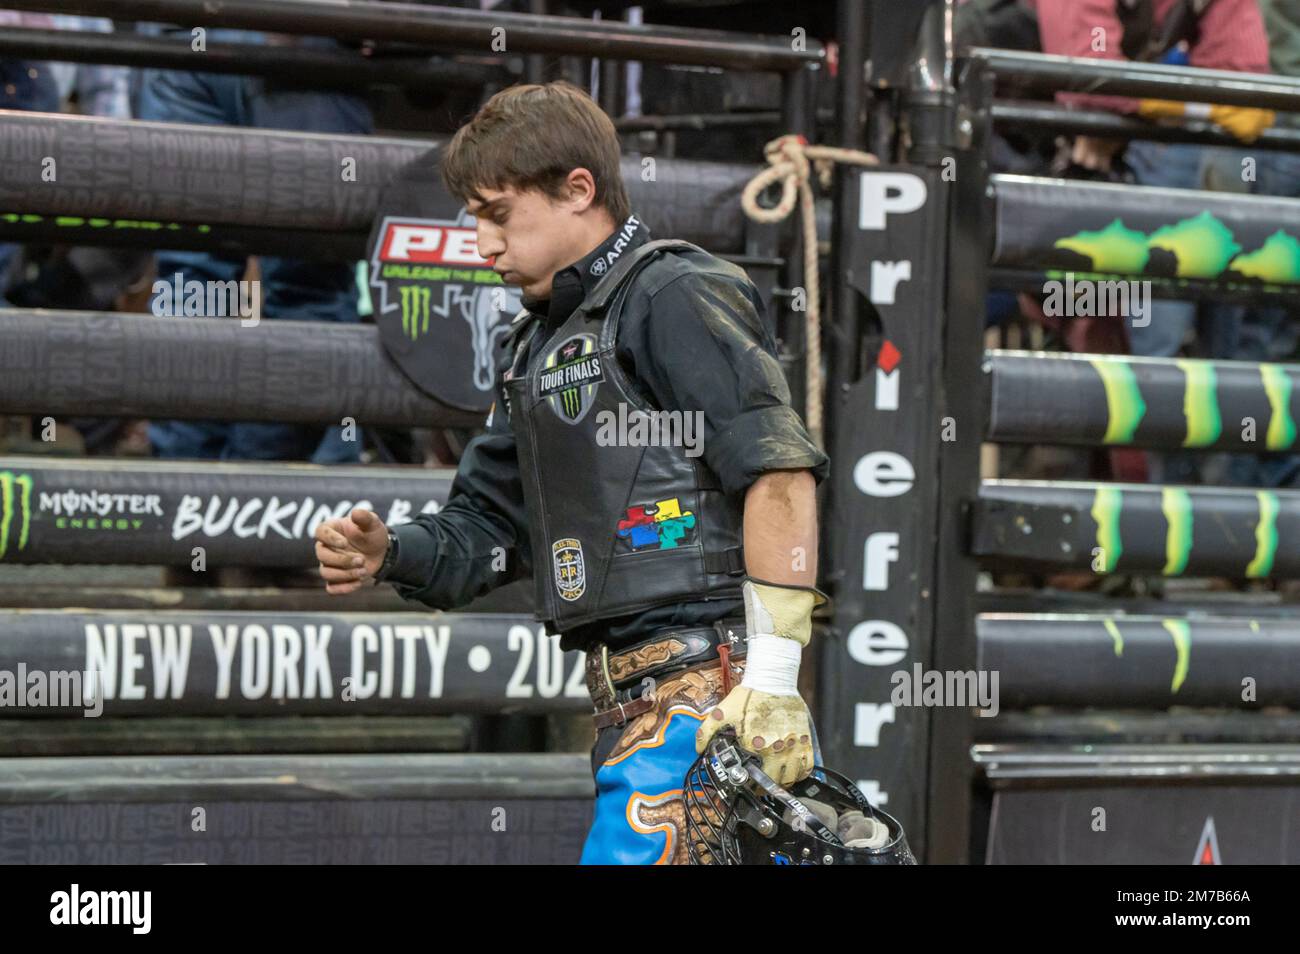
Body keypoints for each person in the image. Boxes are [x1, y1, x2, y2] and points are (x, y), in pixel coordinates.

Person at [314, 81, 830, 865]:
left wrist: (775, 679)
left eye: (498, 214)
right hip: (646, 710)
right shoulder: (534, 348)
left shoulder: (675, 291)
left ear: (577, 190)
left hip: (712, 701)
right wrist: (393, 553)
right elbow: (486, 528)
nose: (483, 244)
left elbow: (780, 471)